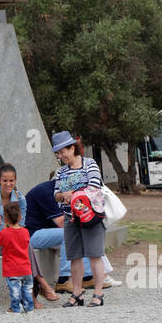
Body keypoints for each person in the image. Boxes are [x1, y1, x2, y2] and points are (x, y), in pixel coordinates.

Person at [51, 131, 106, 307]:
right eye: (58, 153)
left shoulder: (89, 164)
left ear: (72, 148)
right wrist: (62, 196)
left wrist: (72, 195)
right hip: (70, 218)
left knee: (95, 255)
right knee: (74, 256)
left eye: (63, 152)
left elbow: (94, 185)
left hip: (90, 216)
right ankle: (77, 292)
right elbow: (55, 194)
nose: (61, 156)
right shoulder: (60, 172)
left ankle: (98, 293)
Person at [0, 201, 32, 314]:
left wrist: (5, 228)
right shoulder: (26, 231)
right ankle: (29, 308)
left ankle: (16, 308)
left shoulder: (4, 233)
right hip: (26, 267)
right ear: (20, 217)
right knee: (27, 289)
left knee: (15, 290)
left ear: (5, 219)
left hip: (12, 268)